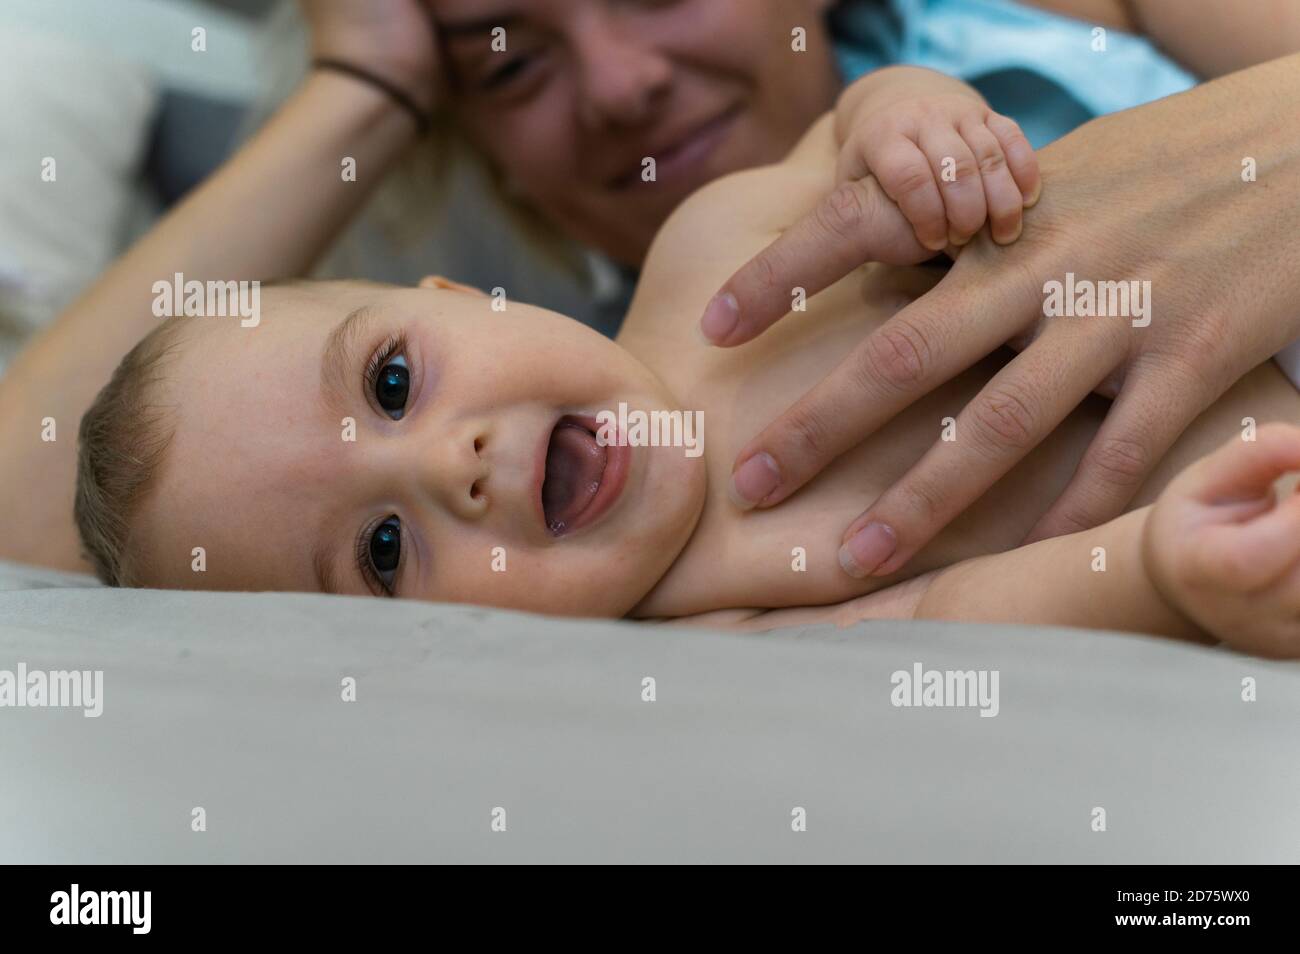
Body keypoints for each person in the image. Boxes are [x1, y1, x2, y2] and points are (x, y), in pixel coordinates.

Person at [69, 88, 1300, 659]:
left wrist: (917, 130)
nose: (453, 460)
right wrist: (1153, 571)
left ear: (455, 294)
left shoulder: (707, 260)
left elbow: (847, 134)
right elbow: (946, 619)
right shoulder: (709, 632)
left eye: (392, 385)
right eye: (382, 554)